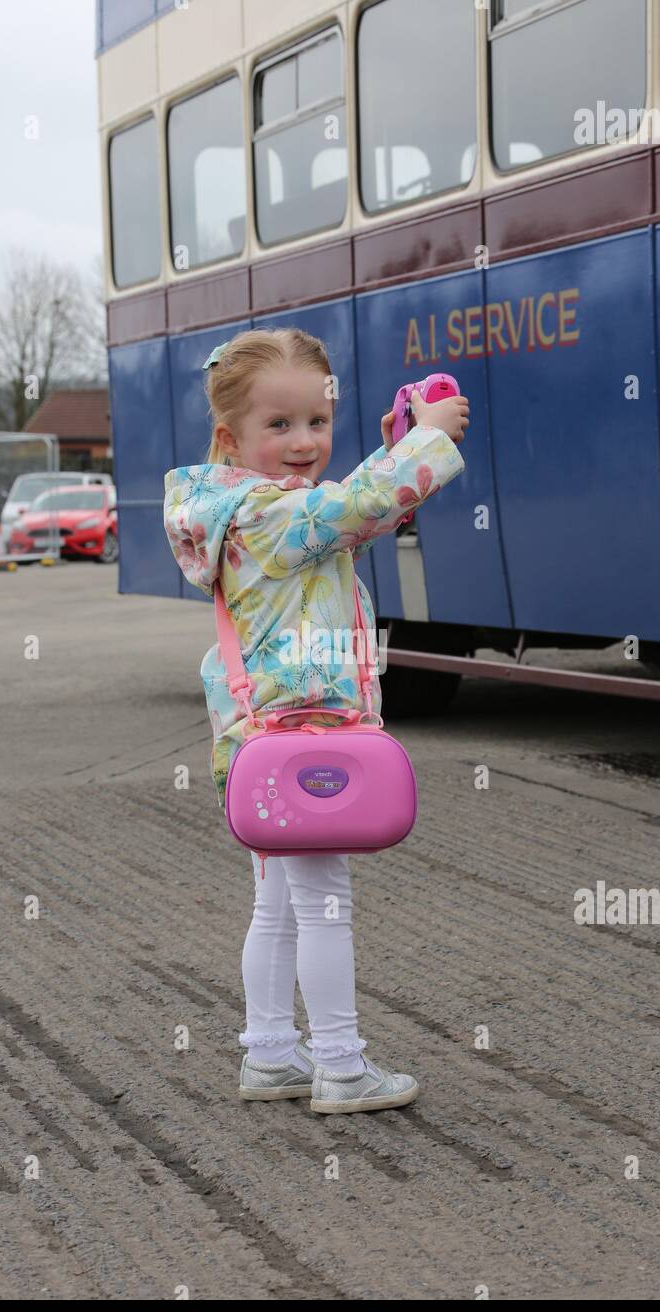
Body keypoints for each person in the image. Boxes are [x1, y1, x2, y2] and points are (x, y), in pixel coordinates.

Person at [162, 328, 468, 1114]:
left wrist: (398, 451)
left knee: (278, 903)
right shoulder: (264, 515)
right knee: (325, 900)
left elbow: (349, 516)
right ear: (231, 438)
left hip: (263, 742)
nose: (304, 442)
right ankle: (340, 1063)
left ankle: (270, 1054)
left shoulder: (248, 510)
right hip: (305, 736)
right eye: (280, 425)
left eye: (317, 421)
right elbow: (356, 507)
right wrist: (425, 445)